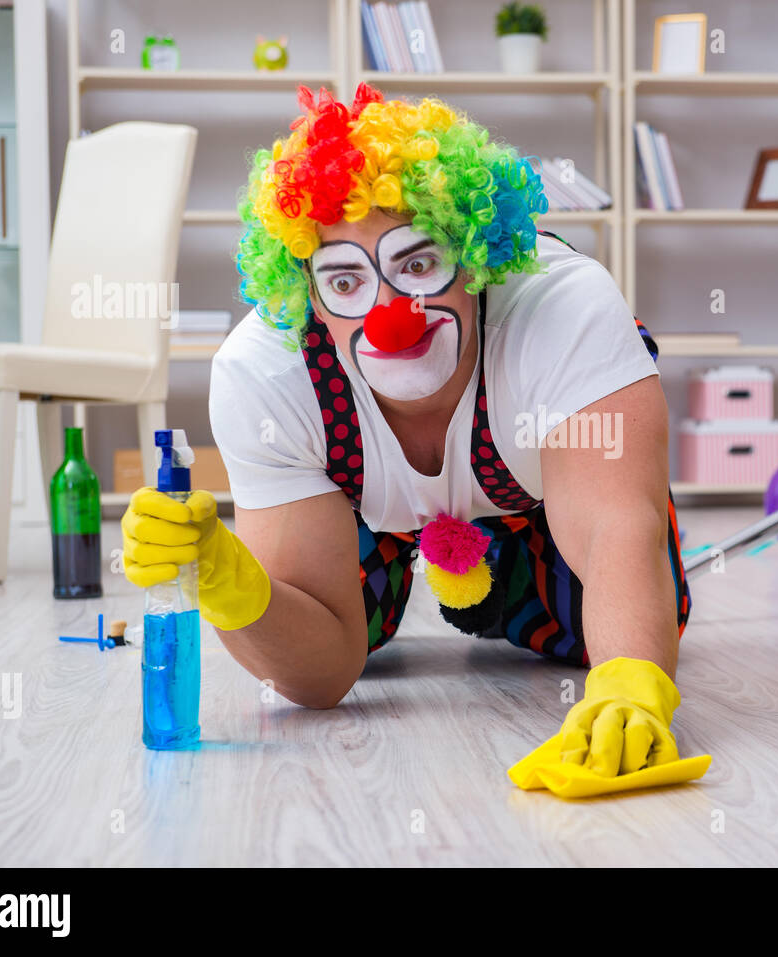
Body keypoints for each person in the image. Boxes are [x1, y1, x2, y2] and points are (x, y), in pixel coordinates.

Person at [121, 83, 693, 778]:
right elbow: (322, 675)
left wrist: (630, 685)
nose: (392, 315)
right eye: (344, 281)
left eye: (419, 264)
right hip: (365, 515)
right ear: (309, 299)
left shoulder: (562, 309)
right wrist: (225, 576)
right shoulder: (266, 374)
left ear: (477, 260)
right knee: (354, 636)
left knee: (598, 628)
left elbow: (612, 529)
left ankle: (504, 584)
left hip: (538, 502)